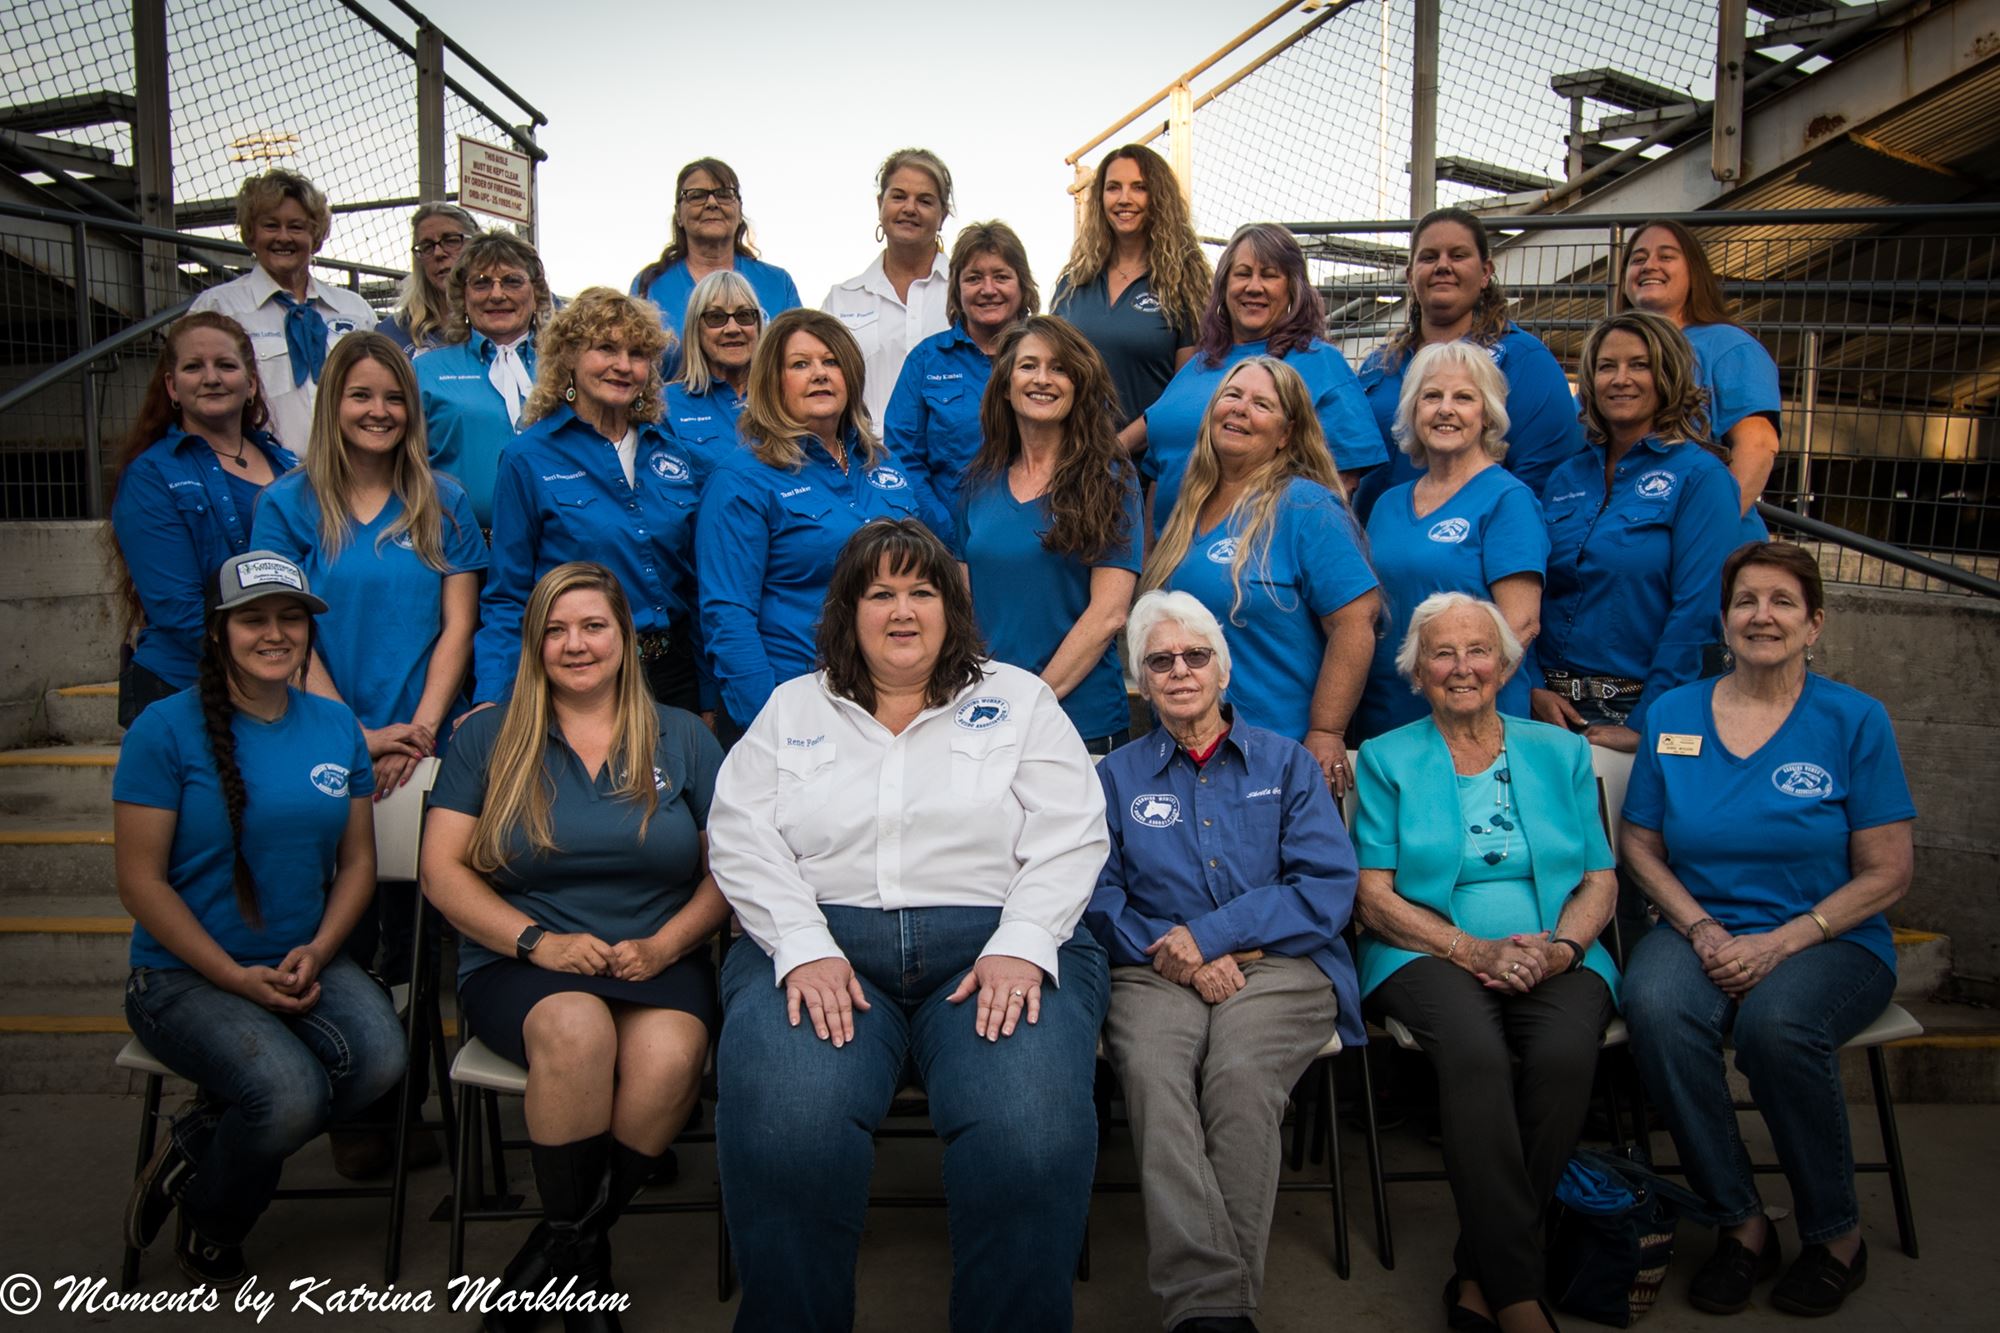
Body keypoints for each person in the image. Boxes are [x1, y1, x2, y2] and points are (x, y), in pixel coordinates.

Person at [708, 520, 1111, 1333]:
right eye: (880, 592)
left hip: (994, 948)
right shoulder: (793, 708)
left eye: (922, 590)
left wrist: (1024, 946)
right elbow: (739, 834)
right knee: (789, 1135)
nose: (902, 610)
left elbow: (1072, 832)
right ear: (847, 610)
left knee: (1028, 1142)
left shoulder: (1019, 699)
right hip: (822, 948)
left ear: (952, 605)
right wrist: (802, 946)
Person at [425, 562, 726, 1332]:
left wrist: (665, 945)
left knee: (669, 1058)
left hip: (656, 957)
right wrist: (536, 942)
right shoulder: (489, 736)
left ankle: (550, 1263)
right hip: (520, 962)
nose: (575, 644)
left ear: (627, 638)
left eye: (593, 626)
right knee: (577, 1028)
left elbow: (732, 874)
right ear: (533, 645)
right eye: (555, 630)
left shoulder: (685, 736)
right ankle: (586, 1284)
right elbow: (440, 870)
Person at [1620, 542, 1914, 1319]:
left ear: (1814, 623)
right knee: (1653, 1005)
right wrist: (1704, 929)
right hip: (1701, 925)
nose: (1762, 616)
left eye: (1783, 601)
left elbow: (1888, 871)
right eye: (1746, 600)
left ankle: (1834, 1237)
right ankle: (1740, 1222)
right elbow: (1640, 845)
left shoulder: (1855, 720)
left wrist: (1781, 942)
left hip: (1830, 938)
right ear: (1724, 619)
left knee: (1778, 1027)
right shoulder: (1674, 713)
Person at [118, 551, 401, 1289]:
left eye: (290, 617)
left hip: (303, 955)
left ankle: (200, 1137)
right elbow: (139, 881)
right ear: (219, 633)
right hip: (183, 975)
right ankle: (213, 1219)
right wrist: (234, 978)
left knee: (380, 1060)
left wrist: (321, 947)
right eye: (253, 618)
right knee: (289, 1094)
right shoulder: (162, 730)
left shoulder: (337, 726)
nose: (275, 633)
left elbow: (359, 865)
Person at [1088, 589, 1360, 1333]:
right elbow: (1098, 895)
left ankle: (1207, 1306)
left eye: (1195, 655)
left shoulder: (1290, 763)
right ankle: (1222, 1308)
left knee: (1240, 1076)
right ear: (1141, 682)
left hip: (1282, 965)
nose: (1180, 670)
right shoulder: (1114, 778)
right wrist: (1177, 951)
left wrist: (1211, 935)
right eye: (1160, 660)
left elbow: (1327, 890)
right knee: (1153, 1071)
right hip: (1153, 965)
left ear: (1223, 669)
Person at [1353, 592, 1620, 1333]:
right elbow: (1371, 895)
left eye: (1477, 650)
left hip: (1552, 949)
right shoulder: (1385, 757)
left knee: (1566, 1055)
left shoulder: (1560, 751)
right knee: (1474, 1052)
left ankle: (1482, 1273)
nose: (1461, 666)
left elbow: (1600, 877)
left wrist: (1563, 948)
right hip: (1423, 949)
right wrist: (1469, 948)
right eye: (1442, 652)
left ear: (1503, 664)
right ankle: (1519, 1294)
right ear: (1417, 671)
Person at [695, 309, 952, 738]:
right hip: (800, 708)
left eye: (831, 362)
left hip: (894, 709)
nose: (820, 374)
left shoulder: (885, 465)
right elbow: (728, 618)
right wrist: (773, 728)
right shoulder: (742, 479)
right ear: (773, 382)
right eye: (800, 364)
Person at [253, 332, 485, 795]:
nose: (379, 411)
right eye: (361, 395)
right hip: (319, 734)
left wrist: (418, 735)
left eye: (395, 399)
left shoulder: (445, 502)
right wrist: (357, 737)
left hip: (430, 738)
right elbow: (280, 633)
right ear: (333, 404)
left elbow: (459, 627)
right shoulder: (285, 504)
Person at [1140, 356, 1379, 794]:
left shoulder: (1306, 506)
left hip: (1277, 757)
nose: (1240, 408)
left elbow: (1356, 621)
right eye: (1232, 395)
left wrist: (1326, 731)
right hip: (1189, 755)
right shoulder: (1190, 508)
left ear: (1286, 434)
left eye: (1261, 404)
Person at [1531, 311, 1752, 752]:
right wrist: (1532, 687)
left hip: (1641, 711)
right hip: (1547, 712)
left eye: (1639, 364)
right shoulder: (1564, 479)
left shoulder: (1701, 478)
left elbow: (1700, 610)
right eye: (1606, 366)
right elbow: (1528, 594)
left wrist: (1648, 720)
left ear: (1667, 374)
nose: (1621, 379)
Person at [476, 288, 702, 713]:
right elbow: (508, 595)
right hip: (579, 678)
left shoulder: (670, 451)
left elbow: (693, 585)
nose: (623, 365)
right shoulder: (528, 458)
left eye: (637, 353)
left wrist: (708, 693)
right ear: (569, 358)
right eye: (605, 349)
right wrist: (494, 698)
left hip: (672, 675)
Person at [958, 316, 1141, 753]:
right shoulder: (978, 482)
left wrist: (1030, 703)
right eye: (1028, 366)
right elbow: (963, 604)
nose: (1043, 379)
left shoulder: (1111, 479)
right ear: (1005, 385)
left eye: (1059, 368)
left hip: (1080, 721)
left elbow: (1109, 614)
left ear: (1078, 386)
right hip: (987, 717)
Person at [1352, 341, 1547, 743]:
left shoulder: (1507, 499)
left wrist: (1461, 699)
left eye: (1463, 397)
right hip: (1387, 717)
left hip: (1469, 724)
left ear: (1487, 413)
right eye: (1431, 396)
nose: (1445, 409)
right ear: (1412, 410)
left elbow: (1521, 625)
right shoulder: (1388, 504)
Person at [1129, 223, 1382, 532]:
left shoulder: (1319, 362)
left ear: (1293, 287)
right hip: (1170, 563)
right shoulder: (1197, 366)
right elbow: (1158, 470)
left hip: (1253, 564)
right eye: (1243, 273)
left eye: (1270, 275)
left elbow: (1341, 482)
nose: (1254, 286)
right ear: (1223, 286)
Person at [109, 312, 296, 726]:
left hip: (280, 681)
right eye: (194, 367)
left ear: (250, 383)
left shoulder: (289, 466)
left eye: (226, 365)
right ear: (173, 387)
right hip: (186, 687)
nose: (211, 377)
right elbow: (178, 608)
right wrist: (273, 658)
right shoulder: (151, 475)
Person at [1350, 206, 1586, 523]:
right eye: (1429, 257)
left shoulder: (1525, 362)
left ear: (1486, 272)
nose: (1443, 266)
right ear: (1410, 275)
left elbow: (1541, 482)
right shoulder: (1379, 365)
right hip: (1373, 549)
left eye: (1458, 256)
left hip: (1469, 556)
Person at [190, 169, 377, 454]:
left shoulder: (355, 310)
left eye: (297, 227)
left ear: (315, 236)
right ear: (251, 234)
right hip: (261, 473)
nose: (284, 237)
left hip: (349, 473)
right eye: (270, 226)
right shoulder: (219, 309)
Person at [1619, 219, 1780, 521]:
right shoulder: (1610, 351)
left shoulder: (1729, 346)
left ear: (1694, 271)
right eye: (1638, 259)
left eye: (1666, 256)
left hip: (1695, 528)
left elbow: (1757, 446)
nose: (1649, 265)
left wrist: (1711, 529)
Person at [881, 220, 1040, 511]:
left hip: (1040, 538)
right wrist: (946, 543)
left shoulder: (1054, 356)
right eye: (974, 278)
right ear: (956, 288)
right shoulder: (926, 361)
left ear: (1023, 284)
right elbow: (903, 460)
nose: (988, 289)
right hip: (949, 544)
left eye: (1001, 277)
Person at [1051, 144, 1210, 427]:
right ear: (1100, 198)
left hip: (1147, 462)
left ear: (1159, 197)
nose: (1124, 199)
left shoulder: (1184, 283)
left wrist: (1119, 447)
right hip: (1073, 456)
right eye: (1113, 188)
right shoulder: (1073, 283)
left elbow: (1184, 394)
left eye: (1139, 187)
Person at [415, 230, 558, 528]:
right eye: (481, 283)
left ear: (536, 292)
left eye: (512, 281)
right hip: (459, 550)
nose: (496, 294)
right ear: (462, 296)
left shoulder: (567, 366)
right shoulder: (425, 371)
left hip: (556, 548)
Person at [823, 147, 955, 425]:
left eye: (925, 200)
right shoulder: (842, 301)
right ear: (880, 204)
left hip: (954, 462)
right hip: (866, 459)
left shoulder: (968, 295)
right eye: (898, 197)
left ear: (942, 215)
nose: (909, 208)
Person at [630, 158, 801, 341]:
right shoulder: (650, 285)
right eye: (696, 196)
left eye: (724, 194)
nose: (712, 203)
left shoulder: (777, 284)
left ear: (739, 210)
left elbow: (800, 353)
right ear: (679, 214)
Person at [662, 269, 761, 483]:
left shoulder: (785, 398)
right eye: (716, 317)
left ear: (758, 326)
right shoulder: (665, 404)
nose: (733, 328)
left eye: (744, 315)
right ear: (695, 329)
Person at [380, 201, 479, 354]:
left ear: (478, 246)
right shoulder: (393, 333)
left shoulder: (503, 324)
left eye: (451, 240)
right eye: (426, 246)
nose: (438, 253)